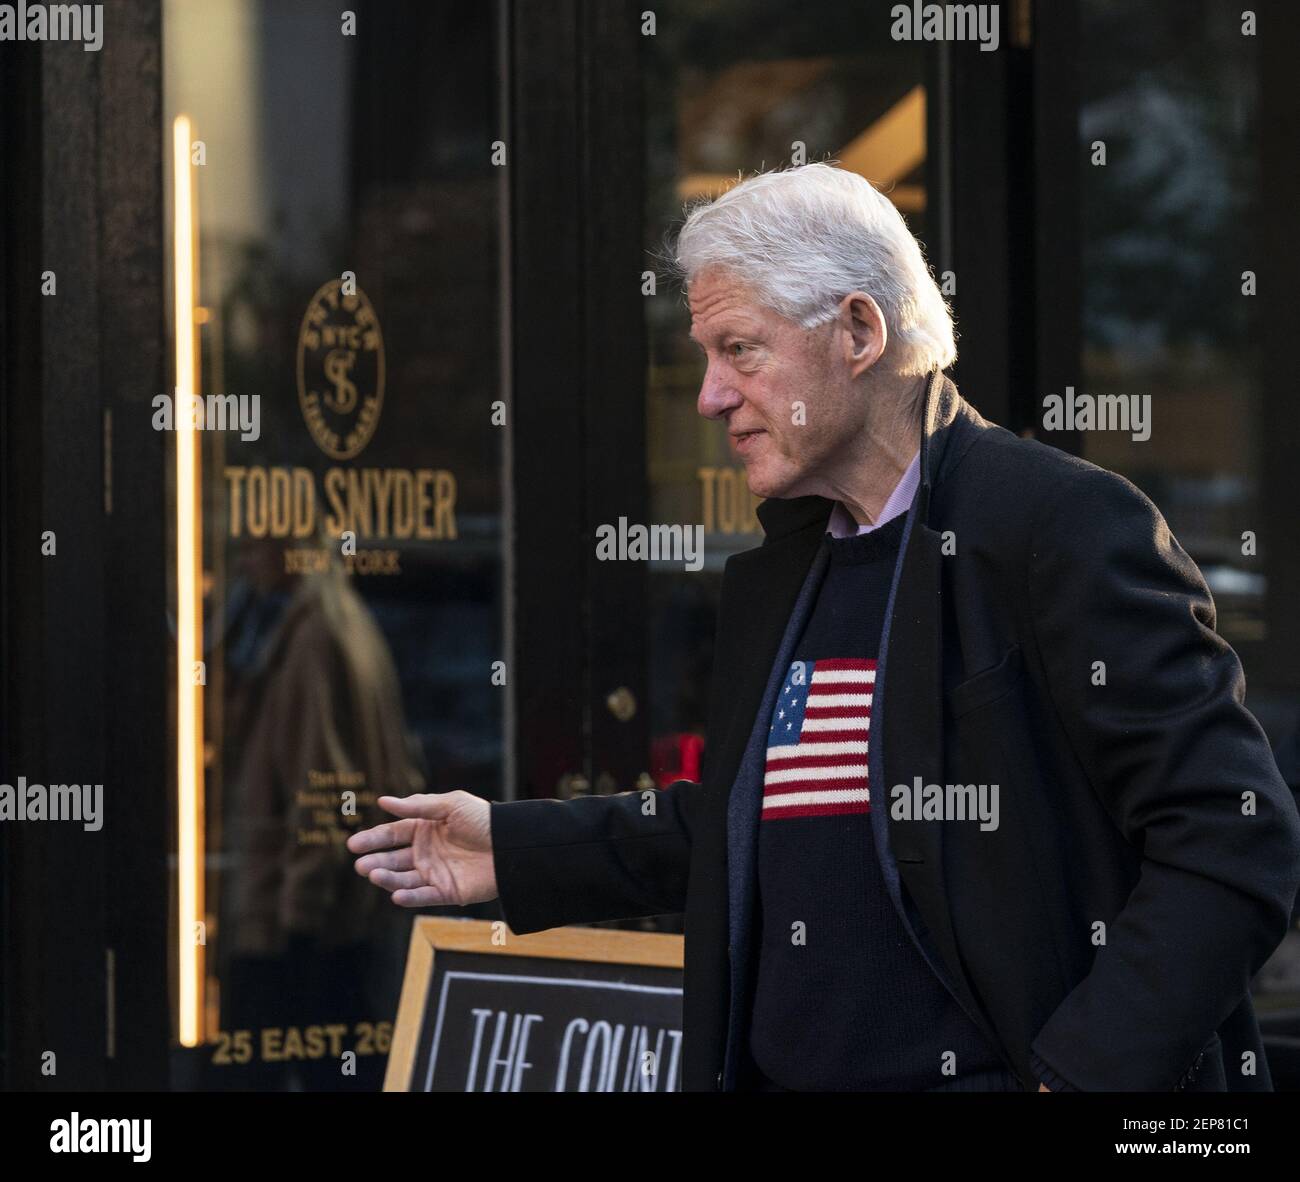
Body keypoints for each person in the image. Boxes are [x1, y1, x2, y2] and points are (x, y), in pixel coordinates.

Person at [348, 162, 1300, 1092]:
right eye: (706, 358)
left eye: (740, 349)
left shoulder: (1061, 526)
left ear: (857, 330)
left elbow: (1231, 835)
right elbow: (750, 815)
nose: (711, 395)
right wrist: (512, 848)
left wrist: (1082, 1073)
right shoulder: (786, 568)